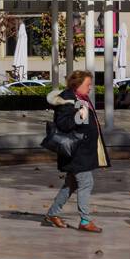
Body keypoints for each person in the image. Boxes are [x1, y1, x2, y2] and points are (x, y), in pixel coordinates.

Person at [44, 70, 109, 233]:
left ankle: (52, 214)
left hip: (82, 151)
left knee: (71, 184)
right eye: (88, 84)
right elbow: (64, 124)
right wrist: (78, 116)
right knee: (86, 183)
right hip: (76, 152)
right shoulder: (67, 100)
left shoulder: (81, 98)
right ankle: (85, 220)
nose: (90, 88)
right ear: (77, 85)